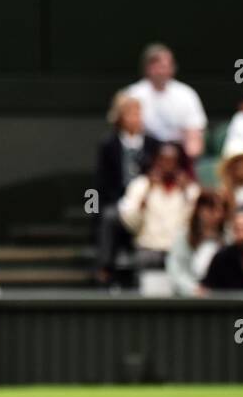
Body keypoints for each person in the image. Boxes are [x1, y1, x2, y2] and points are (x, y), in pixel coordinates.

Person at [95, 91, 159, 286]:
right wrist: (121, 202)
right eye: (130, 114)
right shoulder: (108, 145)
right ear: (120, 118)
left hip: (148, 201)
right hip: (119, 201)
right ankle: (106, 269)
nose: (135, 118)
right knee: (109, 216)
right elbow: (103, 181)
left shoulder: (153, 144)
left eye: (138, 113)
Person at [118, 142, 199, 279]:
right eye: (163, 159)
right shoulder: (140, 186)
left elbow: (197, 223)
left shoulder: (190, 189)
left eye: (172, 160)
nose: (167, 165)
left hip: (180, 250)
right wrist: (147, 193)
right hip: (148, 248)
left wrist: (186, 193)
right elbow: (130, 223)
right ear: (156, 161)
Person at [123, 43, 207, 160]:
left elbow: (194, 136)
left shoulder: (186, 94)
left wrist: (187, 161)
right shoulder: (133, 94)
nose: (163, 70)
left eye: (167, 65)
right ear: (148, 67)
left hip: (178, 155)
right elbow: (126, 133)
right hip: (144, 155)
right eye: (159, 66)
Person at [165, 190, 228, 297]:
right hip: (190, 297)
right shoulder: (183, 237)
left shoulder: (229, 237)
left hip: (221, 296)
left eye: (220, 210)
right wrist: (193, 289)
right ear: (199, 210)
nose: (217, 215)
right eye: (211, 210)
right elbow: (176, 271)